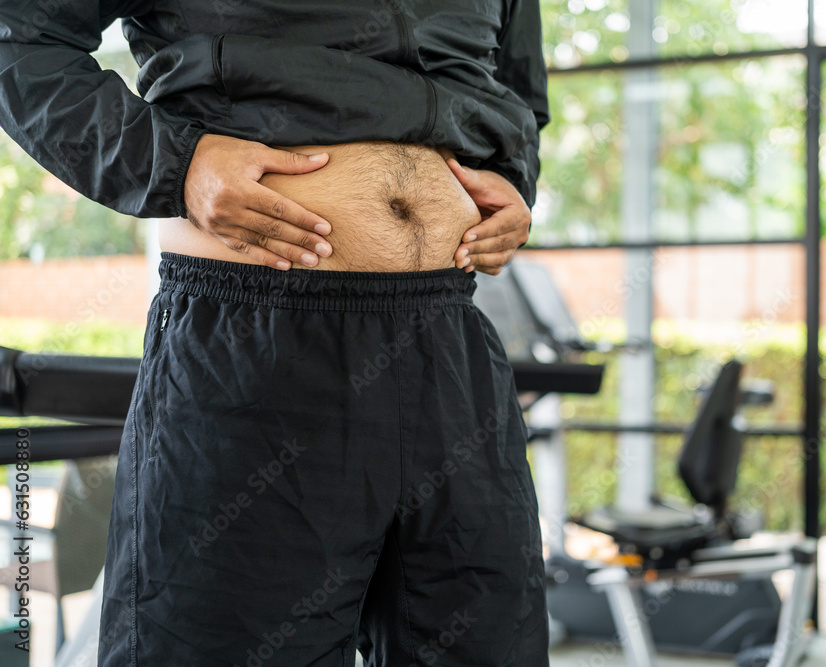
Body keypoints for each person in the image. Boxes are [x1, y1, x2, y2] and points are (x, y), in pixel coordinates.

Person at [0, 1, 550, 665]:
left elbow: (517, 85)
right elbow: (18, 38)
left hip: (451, 340)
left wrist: (515, 176)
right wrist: (178, 161)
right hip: (253, 345)